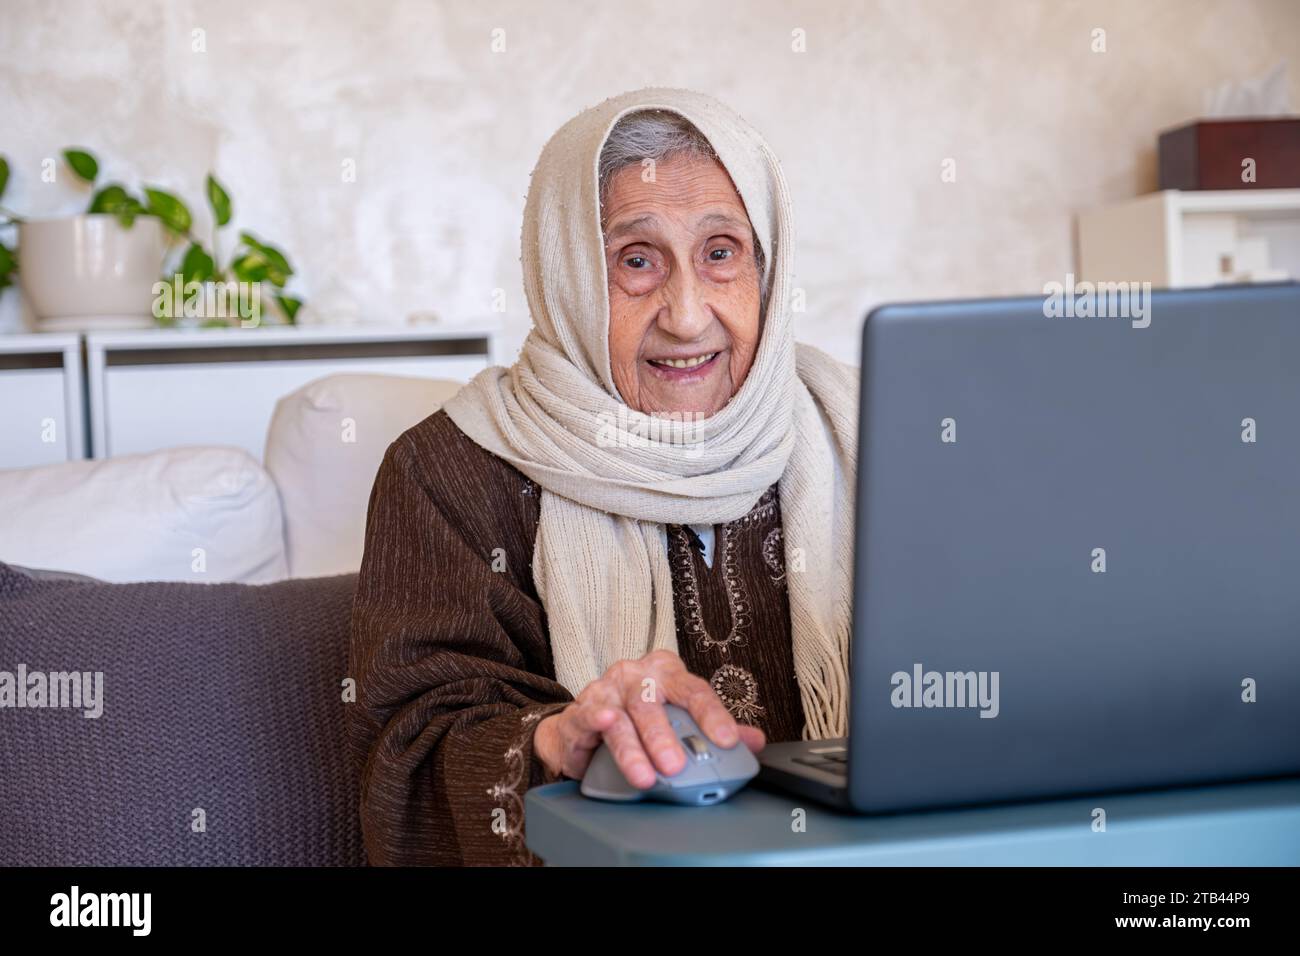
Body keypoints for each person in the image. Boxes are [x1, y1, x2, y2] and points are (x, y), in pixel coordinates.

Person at [346, 87, 857, 866]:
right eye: (636, 261)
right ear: (568, 274)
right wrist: (555, 742)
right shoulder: (450, 471)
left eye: (721, 252)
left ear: (767, 270)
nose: (688, 314)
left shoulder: (867, 430)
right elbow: (411, 749)